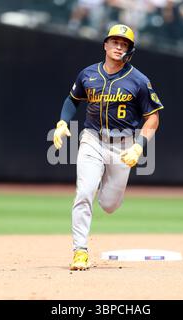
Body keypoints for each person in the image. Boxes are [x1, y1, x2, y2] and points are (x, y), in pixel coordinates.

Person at [52, 24, 164, 271]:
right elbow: (73, 99)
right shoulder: (88, 74)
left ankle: (106, 183)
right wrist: (62, 121)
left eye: (124, 44)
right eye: (114, 42)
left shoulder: (139, 80)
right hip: (92, 139)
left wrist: (139, 147)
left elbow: (153, 117)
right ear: (105, 44)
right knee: (84, 193)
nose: (118, 47)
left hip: (123, 146)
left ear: (129, 51)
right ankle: (79, 251)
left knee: (109, 205)